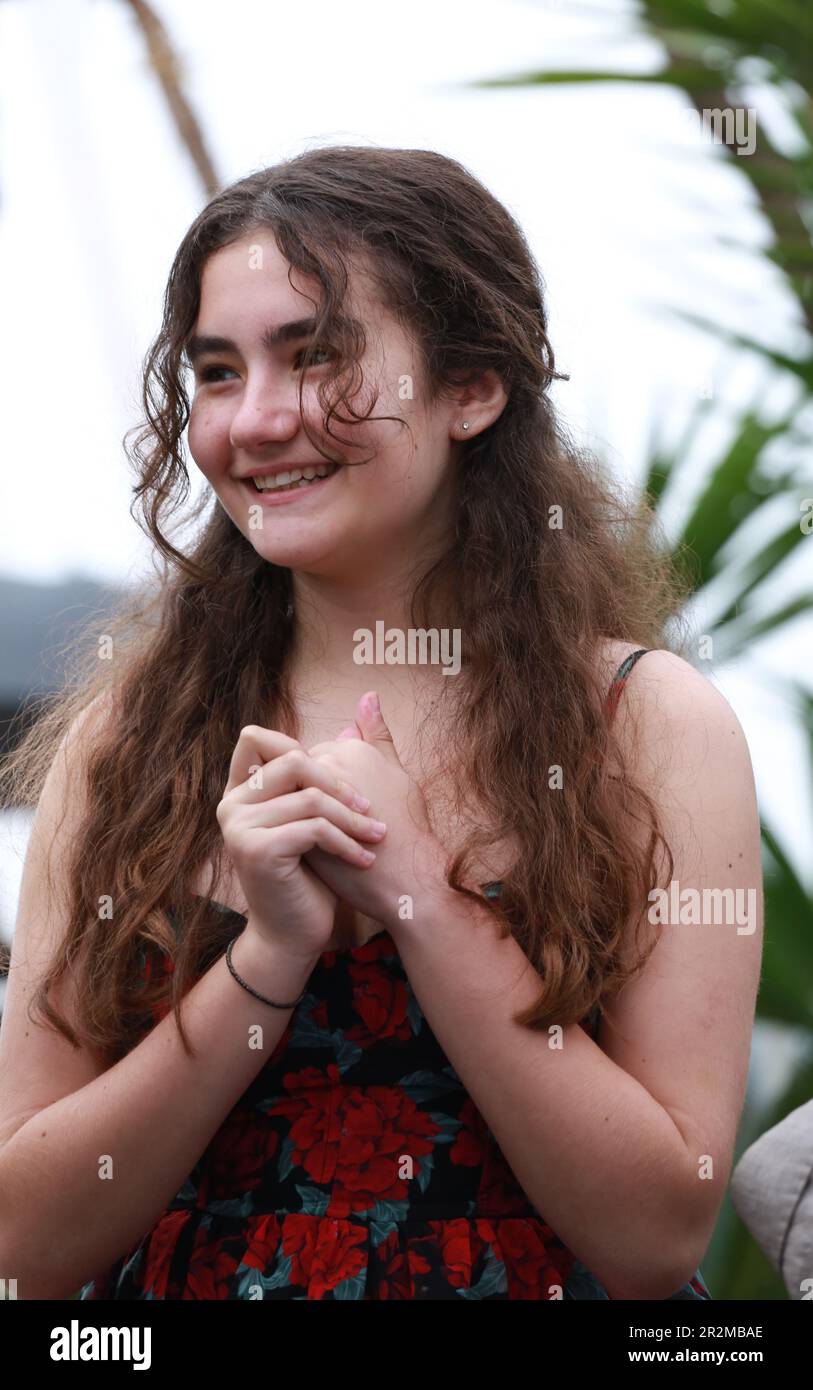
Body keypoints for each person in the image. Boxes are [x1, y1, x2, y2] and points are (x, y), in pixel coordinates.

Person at [0, 145, 763, 1300]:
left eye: (317, 358)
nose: (254, 419)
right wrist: (265, 956)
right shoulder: (127, 747)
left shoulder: (645, 723)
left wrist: (417, 889)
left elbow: (656, 1234)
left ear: (473, 387)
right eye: (215, 371)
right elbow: (29, 1240)